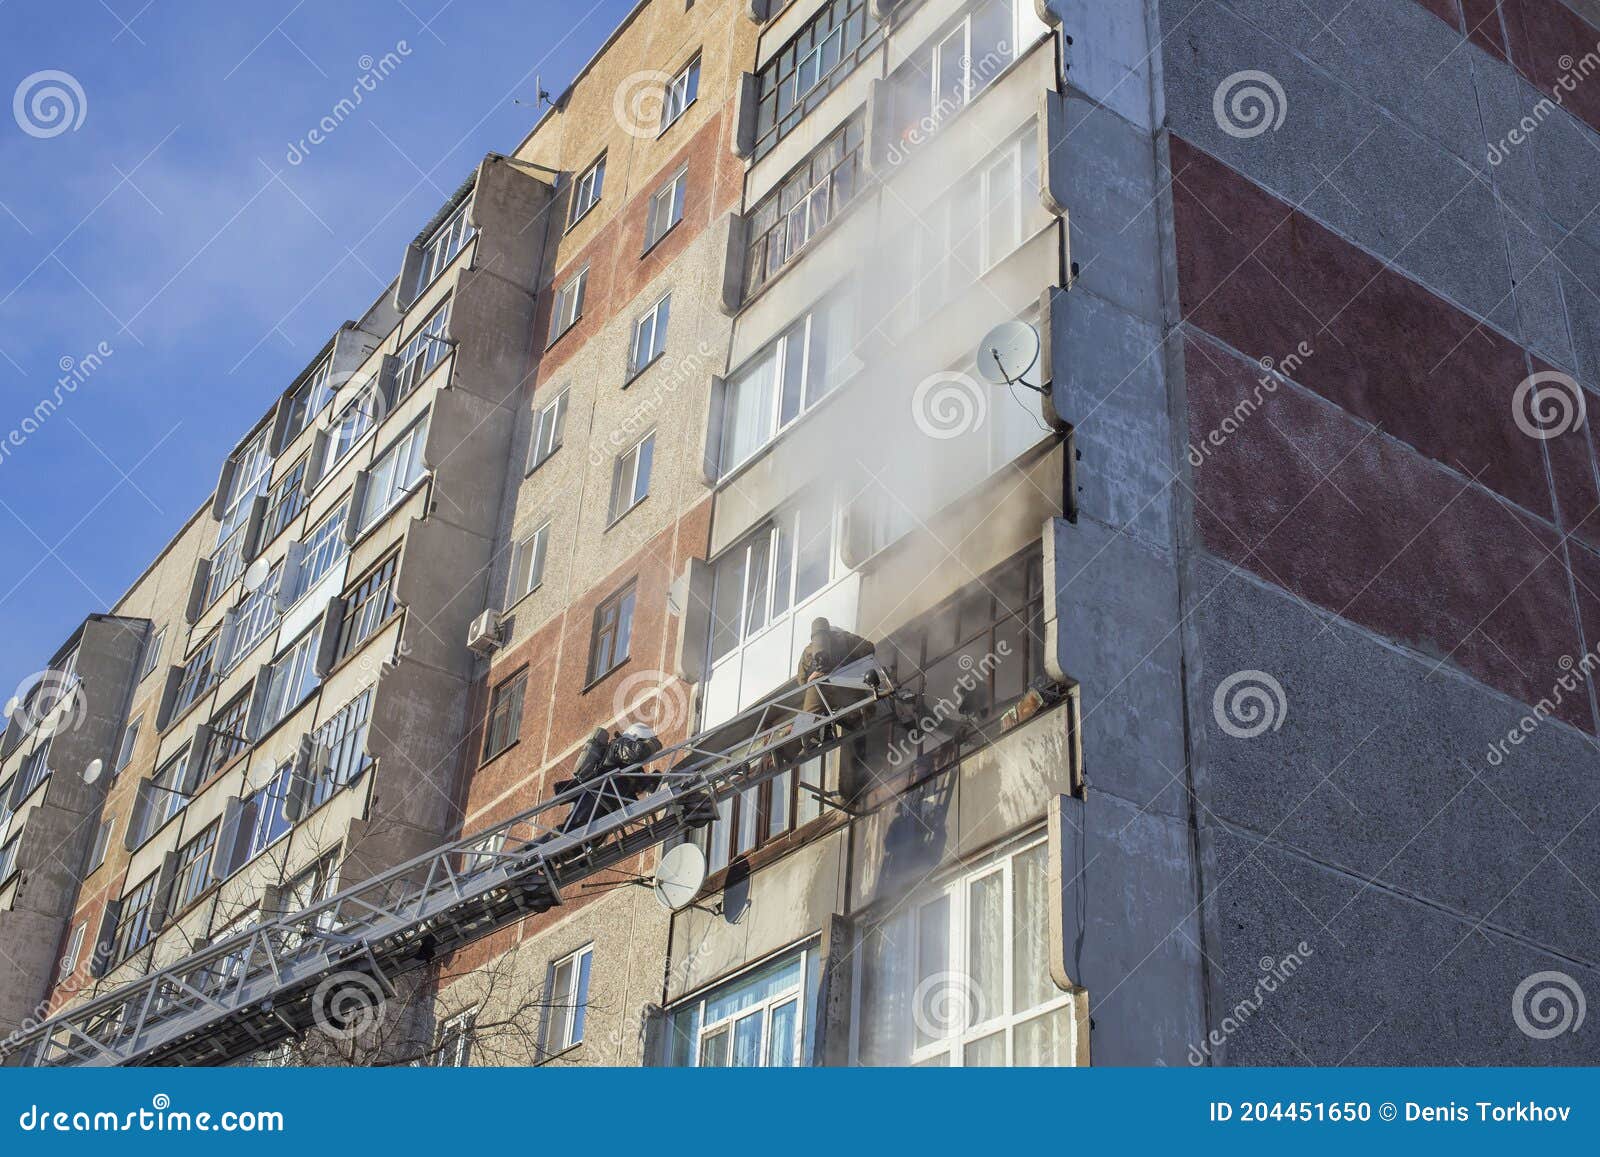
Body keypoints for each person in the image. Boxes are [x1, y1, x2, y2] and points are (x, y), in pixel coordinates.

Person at [555, 723, 662, 833]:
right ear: (636, 739)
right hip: (594, 798)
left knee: (580, 842)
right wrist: (655, 743)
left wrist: (656, 779)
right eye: (646, 742)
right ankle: (538, 847)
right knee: (568, 833)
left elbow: (645, 785)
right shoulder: (619, 745)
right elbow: (638, 752)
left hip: (607, 805)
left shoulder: (631, 768)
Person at [795, 617, 876, 750]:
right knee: (863, 718)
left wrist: (813, 678)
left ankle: (809, 738)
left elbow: (802, 682)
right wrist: (852, 666)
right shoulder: (844, 638)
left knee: (806, 721)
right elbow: (869, 648)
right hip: (851, 698)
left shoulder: (807, 652)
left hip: (822, 701)